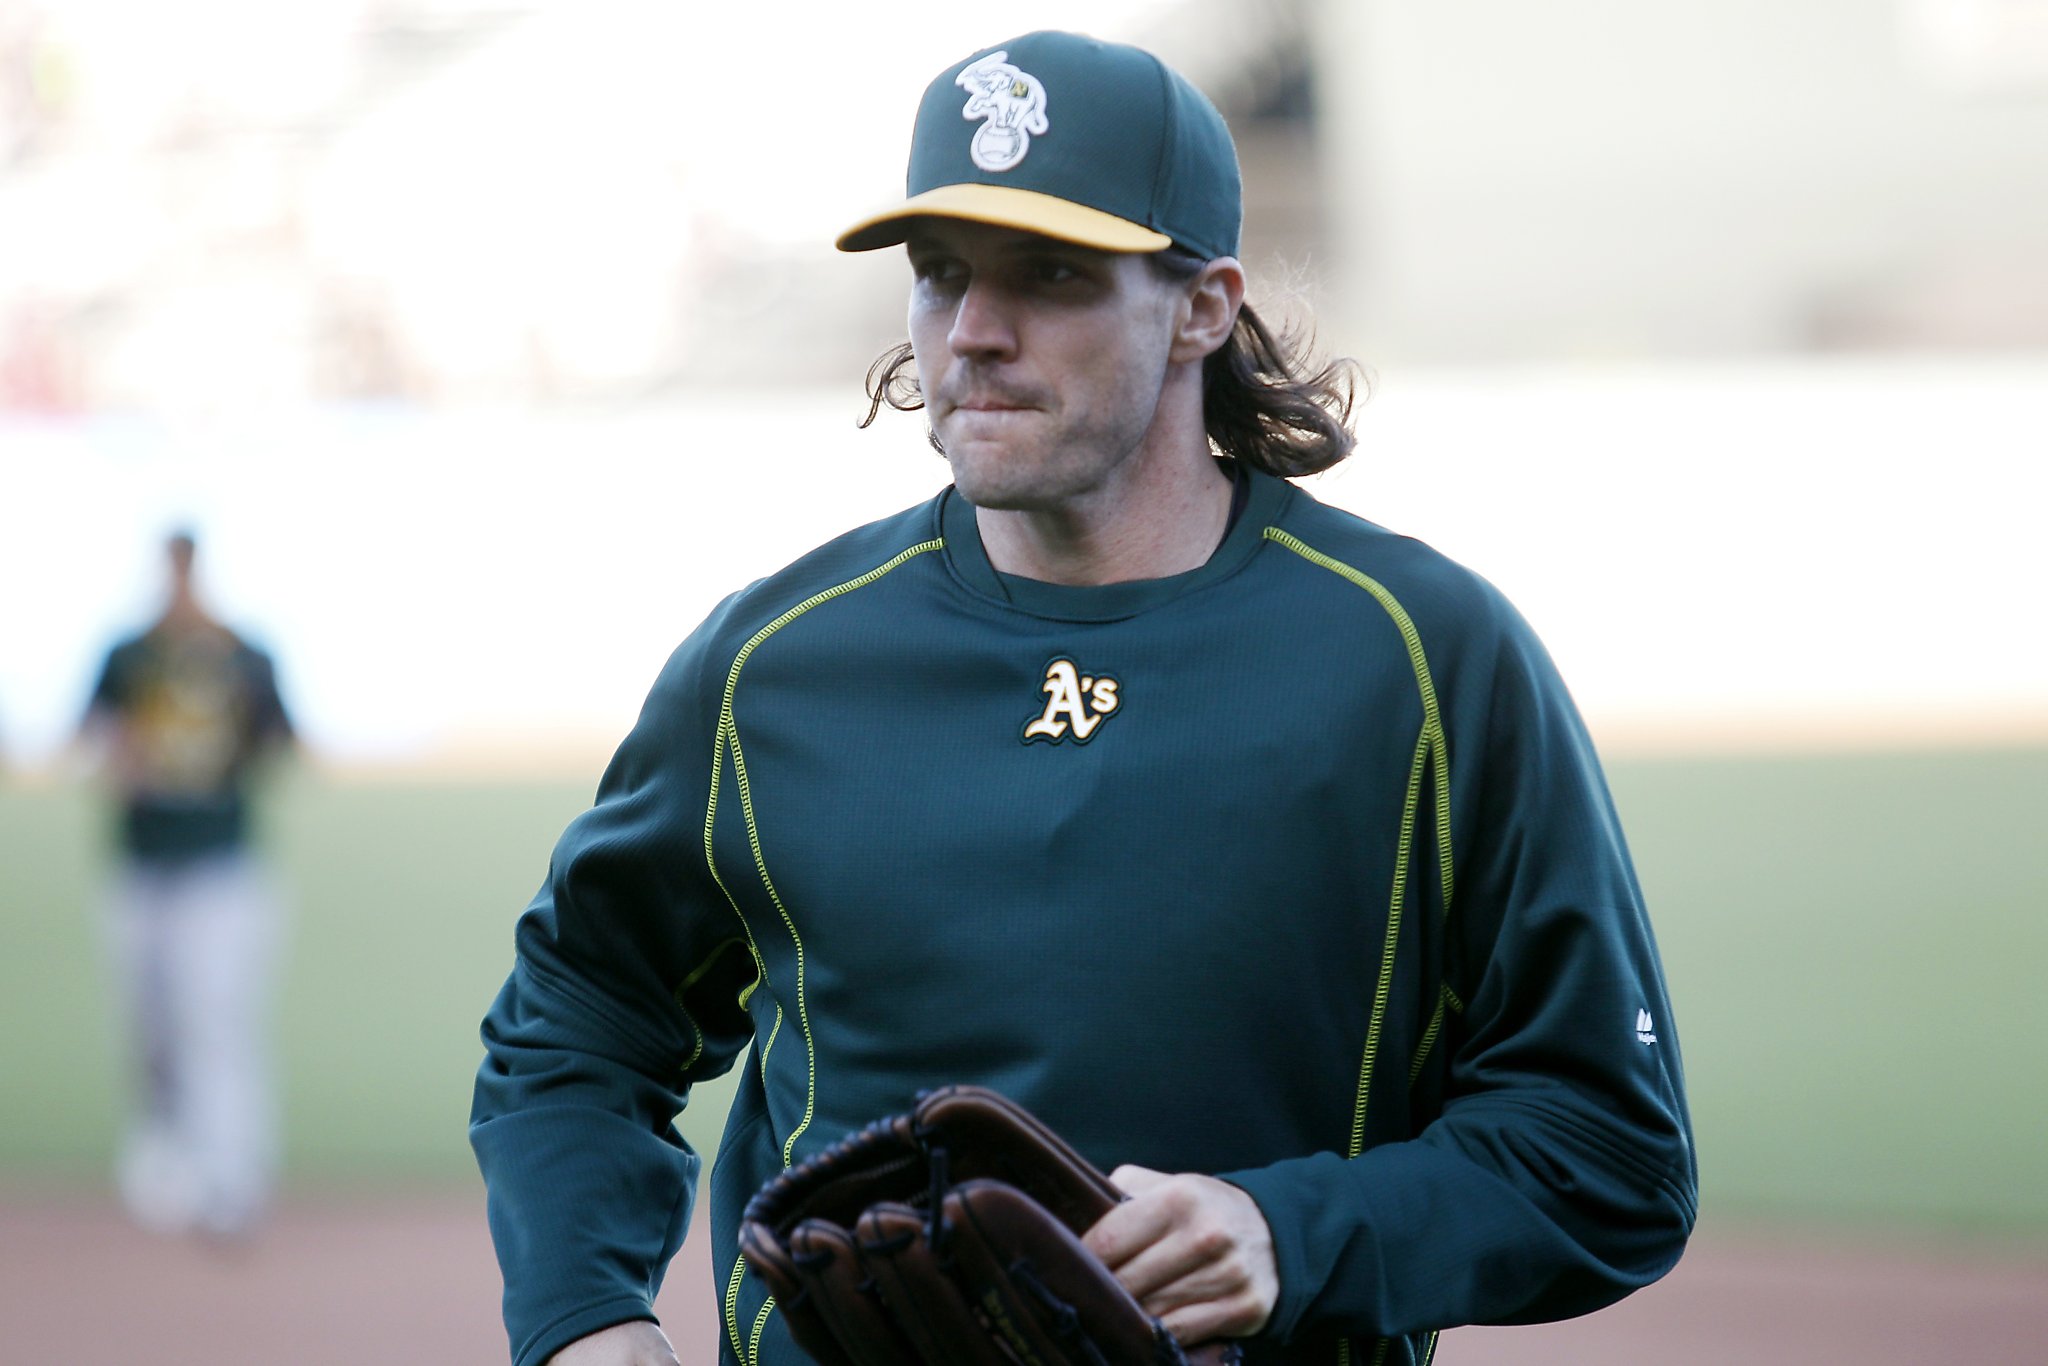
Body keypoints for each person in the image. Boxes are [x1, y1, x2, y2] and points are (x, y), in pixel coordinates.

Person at [470, 30, 1695, 1366]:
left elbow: (1608, 1147)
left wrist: (1291, 1231)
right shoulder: (774, 663)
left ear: (1204, 305)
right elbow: (579, 1016)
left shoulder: (1418, 658)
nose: (975, 332)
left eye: (1050, 276)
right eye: (940, 277)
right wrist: (585, 1315)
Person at [80, 528, 294, 1239]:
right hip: (142, 865)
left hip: (222, 866)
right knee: (153, 1024)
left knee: (216, 1018)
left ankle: (232, 1174)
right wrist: (124, 756)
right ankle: (164, 1156)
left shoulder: (244, 654)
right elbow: (91, 736)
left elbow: (284, 743)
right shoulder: (127, 654)